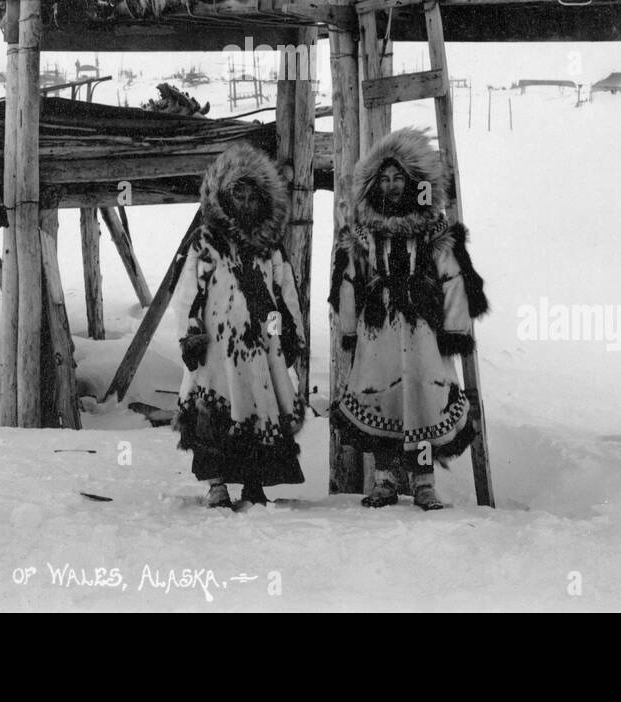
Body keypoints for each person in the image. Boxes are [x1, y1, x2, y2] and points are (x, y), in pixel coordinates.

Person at [329, 127, 489, 510]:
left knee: (420, 405)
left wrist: (455, 331)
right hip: (378, 331)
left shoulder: (431, 229)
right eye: (383, 179)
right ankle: (384, 482)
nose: (392, 184)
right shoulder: (365, 232)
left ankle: (423, 484)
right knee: (383, 403)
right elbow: (349, 280)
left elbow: (452, 278)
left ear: (414, 180)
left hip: (421, 331)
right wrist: (350, 331)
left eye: (398, 177)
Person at [171, 142, 306, 509]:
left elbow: (285, 294)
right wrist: (190, 334)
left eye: (252, 196)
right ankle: (216, 484)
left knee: (257, 409)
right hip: (215, 346)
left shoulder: (270, 249)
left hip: (259, 346)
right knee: (213, 412)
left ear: (263, 201)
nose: (245, 203)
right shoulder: (206, 243)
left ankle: (253, 483)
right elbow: (189, 293)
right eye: (237, 194)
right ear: (224, 198)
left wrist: (289, 335)